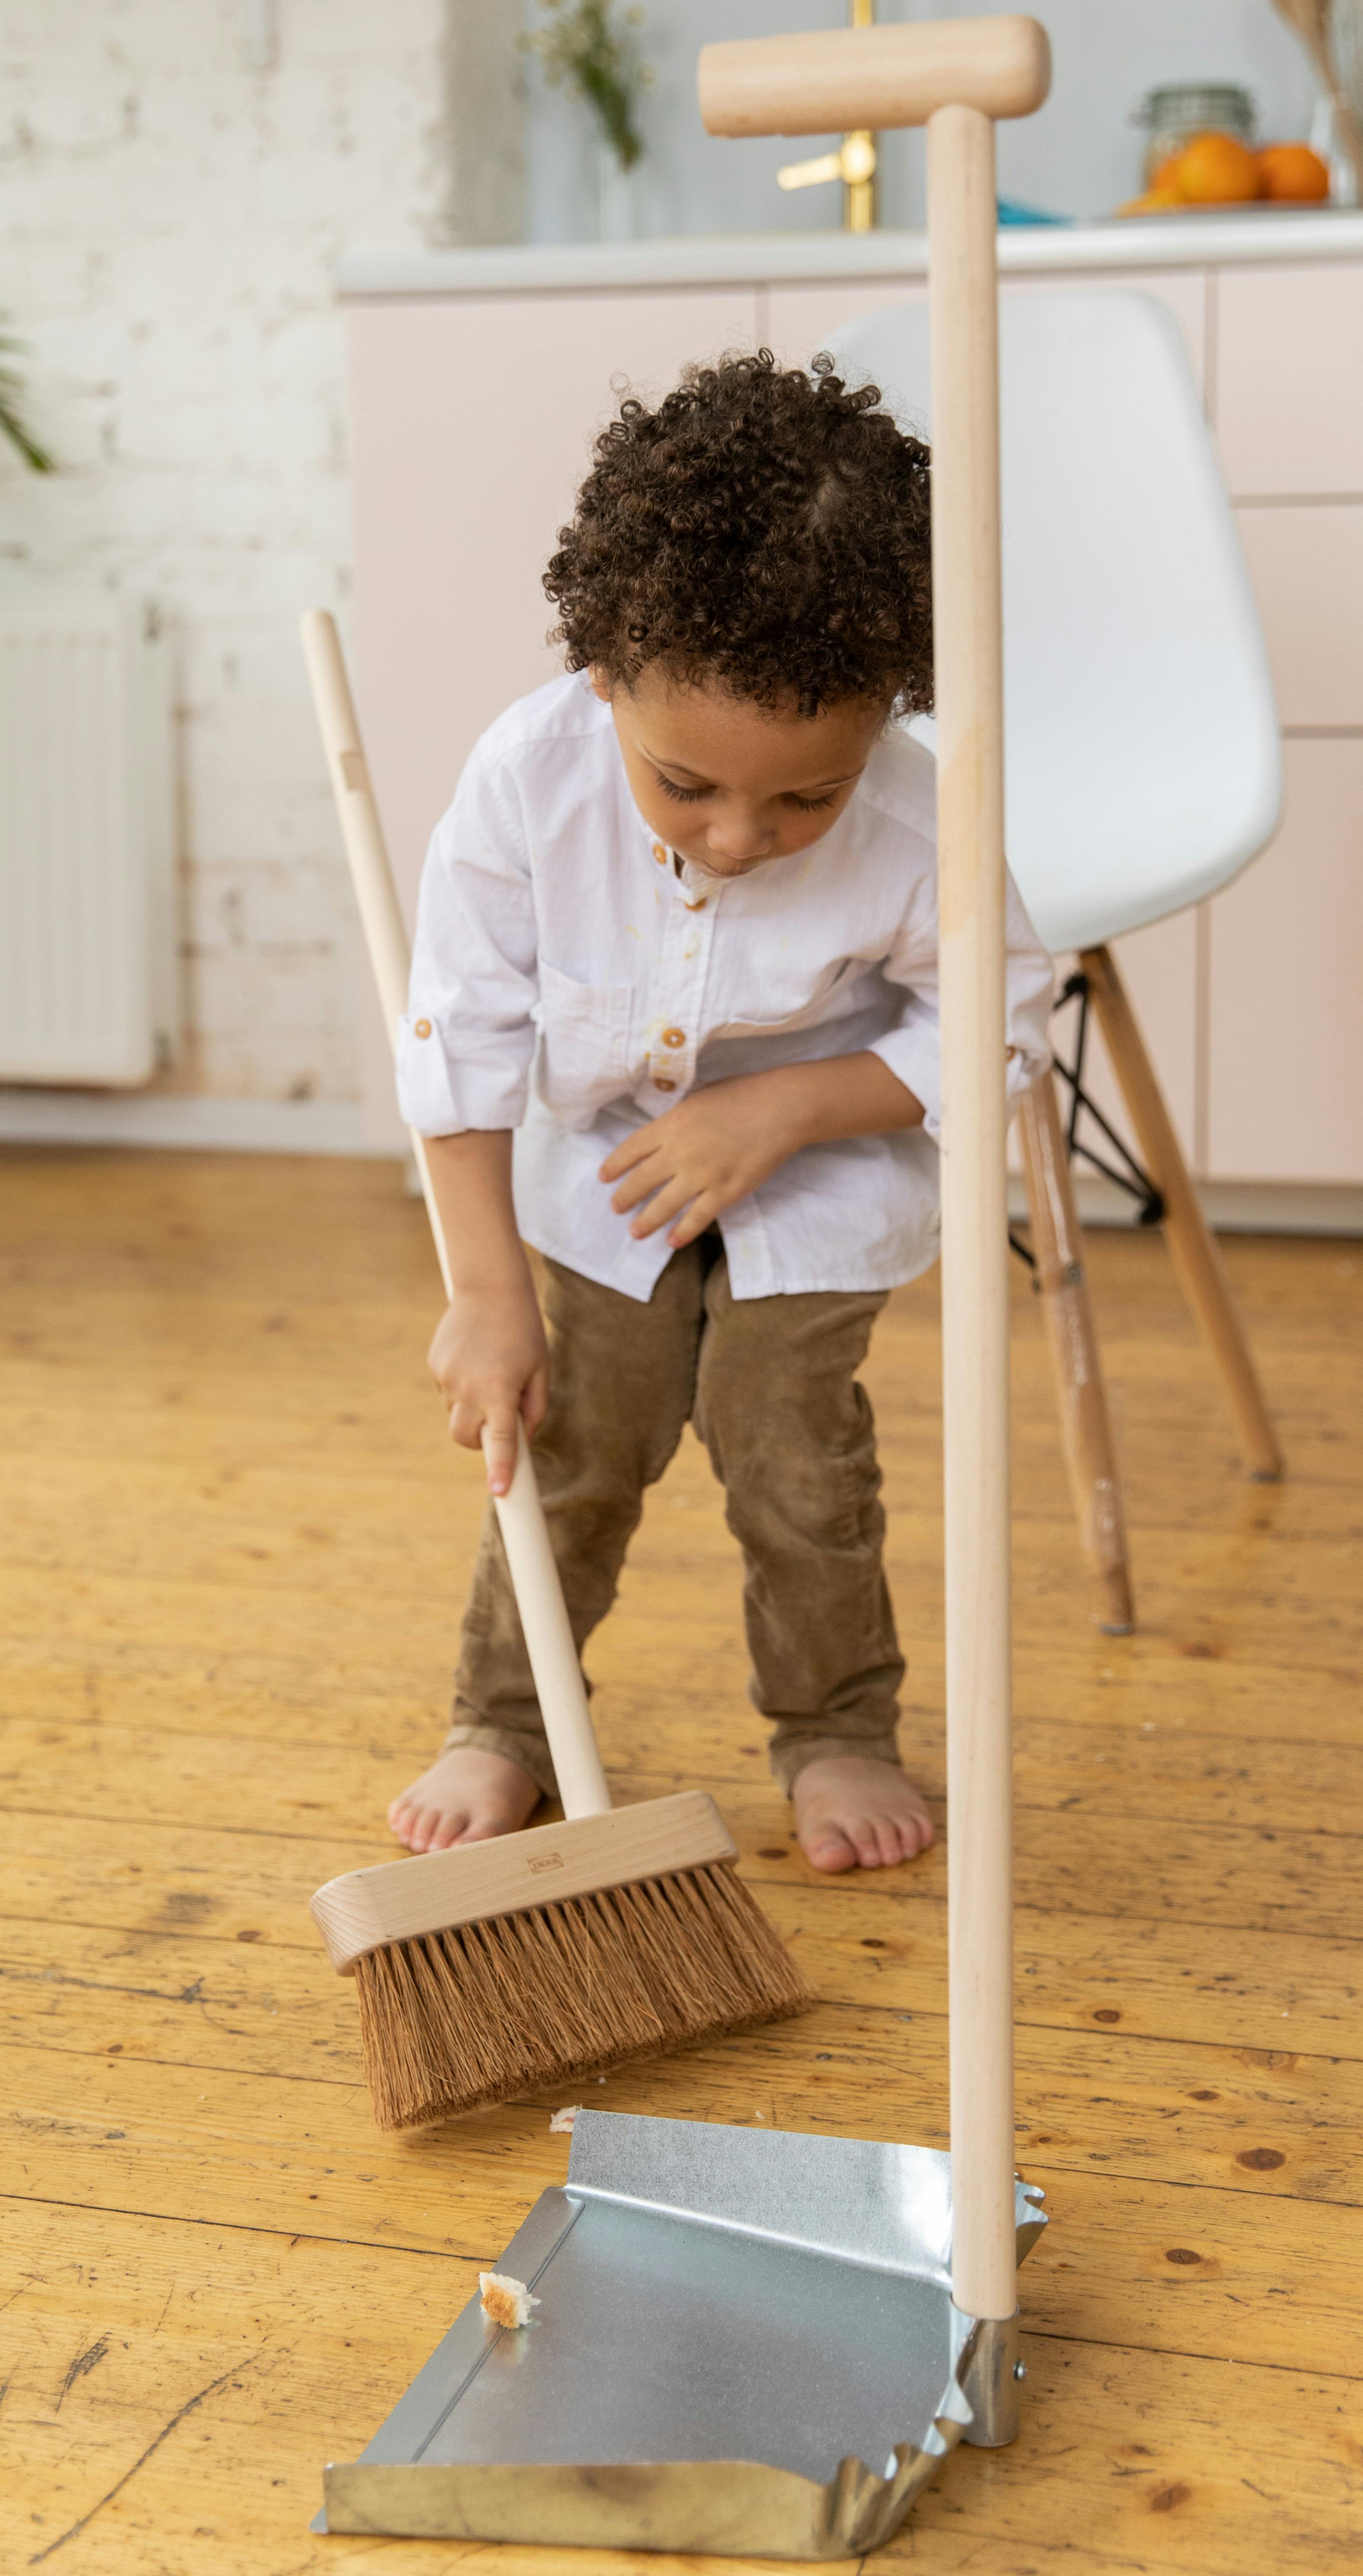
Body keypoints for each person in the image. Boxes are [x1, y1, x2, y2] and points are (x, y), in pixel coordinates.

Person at [389, 350, 1052, 1874]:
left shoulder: (913, 815)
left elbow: (995, 1028)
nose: (743, 838)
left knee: (796, 1468)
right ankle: (503, 1722)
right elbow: (466, 1038)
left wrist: (797, 1108)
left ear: (886, 714)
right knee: (566, 1459)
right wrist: (487, 1293)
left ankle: (835, 1732)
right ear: (606, 673)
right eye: (684, 785)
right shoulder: (526, 780)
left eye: (802, 799)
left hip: (817, 1192)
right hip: (598, 1192)